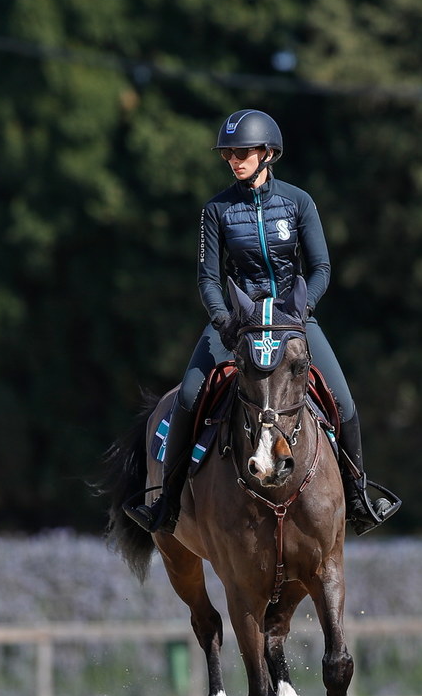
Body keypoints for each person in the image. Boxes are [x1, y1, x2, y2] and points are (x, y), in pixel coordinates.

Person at [127, 108, 399, 536]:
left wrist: (301, 311)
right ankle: (167, 501)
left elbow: (322, 268)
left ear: (268, 153)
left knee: (344, 403)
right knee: (189, 395)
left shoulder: (298, 202)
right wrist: (222, 319)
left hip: (292, 318)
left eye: (243, 151)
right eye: (228, 154)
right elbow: (207, 278)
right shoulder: (215, 210)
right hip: (238, 322)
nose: (234, 159)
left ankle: (358, 494)